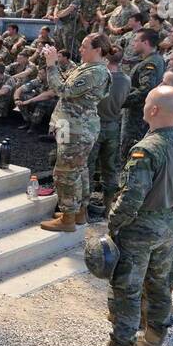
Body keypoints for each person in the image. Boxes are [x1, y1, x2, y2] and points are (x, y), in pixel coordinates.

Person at [72, 85, 173, 346]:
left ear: (153, 110)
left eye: (146, 103)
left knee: (126, 292)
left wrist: (114, 226)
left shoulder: (146, 149)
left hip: (139, 229)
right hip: (169, 226)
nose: (143, 106)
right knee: (159, 285)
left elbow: (131, 198)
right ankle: (153, 344)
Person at [35, 35, 111, 232]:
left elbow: (63, 90)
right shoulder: (86, 67)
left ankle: (68, 218)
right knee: (79, 170)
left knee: (65, 172)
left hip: (77, 129)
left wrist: (51, 65)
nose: (80, 50)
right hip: (69, 125)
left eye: (85, 46)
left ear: (98, 50)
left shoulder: (95, 72)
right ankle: (78, 212)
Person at [90, 48, 130, 216]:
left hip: (94, 125)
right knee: (110, 169)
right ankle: (108, 209)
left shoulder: (99, 77)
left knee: (88, 167)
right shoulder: (126, 80)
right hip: (113, 126)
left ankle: (83, 210)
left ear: (105, 58)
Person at [120, 29, 164, 157]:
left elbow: (145, 90)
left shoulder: (150, 63)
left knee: (130, 150)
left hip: (137, 116)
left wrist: (120, 101)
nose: (133, 43)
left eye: (136, 40)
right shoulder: (153, 59)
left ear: (145, 43)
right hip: (138, 113)